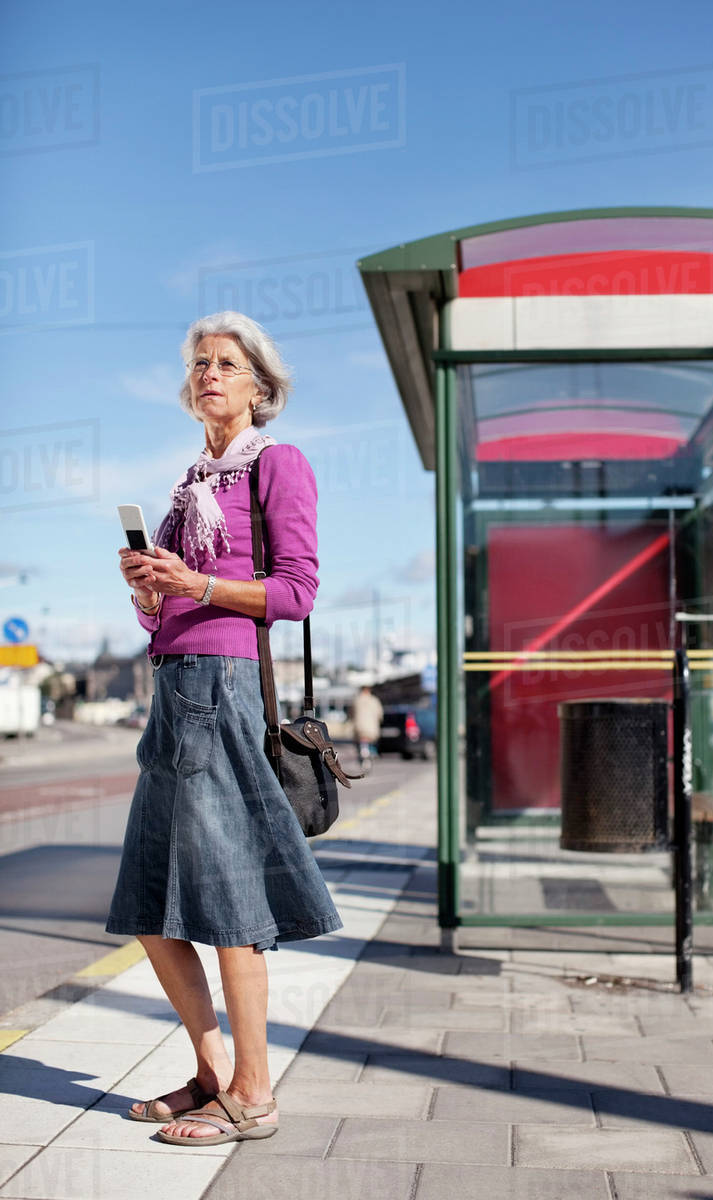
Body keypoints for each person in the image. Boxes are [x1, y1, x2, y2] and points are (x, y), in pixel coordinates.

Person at [106, 311, 342, 1147]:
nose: (210, 374)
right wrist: (149, 590)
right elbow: (165, 610)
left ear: (259, 386)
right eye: (201, 363)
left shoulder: (276, 464)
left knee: (231, 900)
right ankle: (212, 1069)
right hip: (174, 690)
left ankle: (254, 1092)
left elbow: (295, 592)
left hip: (225, 687)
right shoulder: (186, 487)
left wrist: (196, 585)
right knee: (146, 903)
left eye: (228, 364)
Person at [352, 685, 383, 770]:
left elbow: (352, 713)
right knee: (371, 741)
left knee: (359, 741)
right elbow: (380, 714)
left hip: (359, 727)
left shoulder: (357, 700)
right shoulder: (374, 700)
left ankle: (362, 755)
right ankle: (372, 753)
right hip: (371, 727)